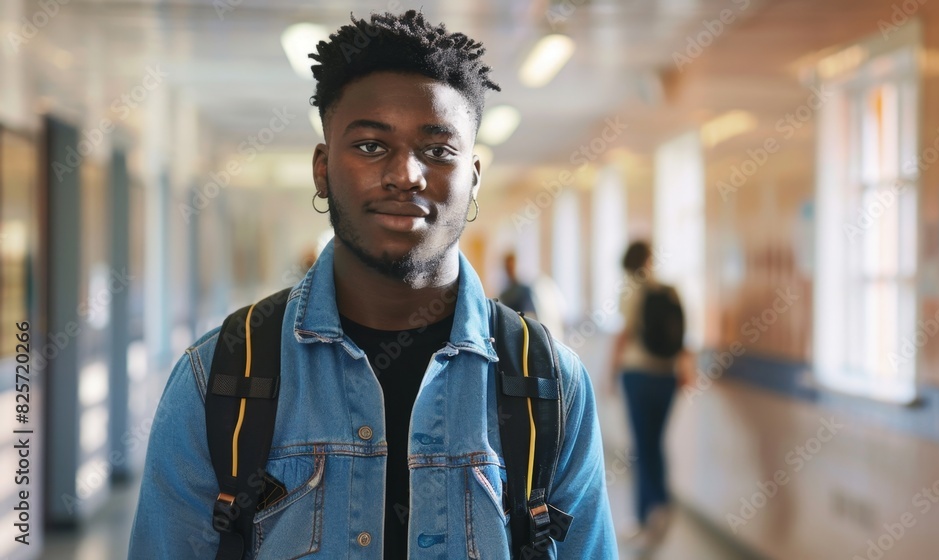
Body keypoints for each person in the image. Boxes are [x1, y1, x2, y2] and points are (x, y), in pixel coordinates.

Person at [128, 10, 616, 559]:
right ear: (322, 168)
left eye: (437, 150)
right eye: (369, 145)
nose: (406, 174)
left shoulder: (548, 382)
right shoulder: (219, 376)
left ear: (473, 177)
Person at [608, 240, 690, 550]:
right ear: (649, 260)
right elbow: (681, 336)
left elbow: (624, 334)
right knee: (655, 442)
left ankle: (648, 514)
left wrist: (609, 374)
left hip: (637, 375)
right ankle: (659, 505)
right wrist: (684, 369)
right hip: (666, 376)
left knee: (641, 446)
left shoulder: (630, 289)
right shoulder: (669, 291)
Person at [498, 251, 537, 317]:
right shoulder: (504, 294)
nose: (510, 270)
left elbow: (531, 314)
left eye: (511, 267)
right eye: (508, 268)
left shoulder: (524, 290)